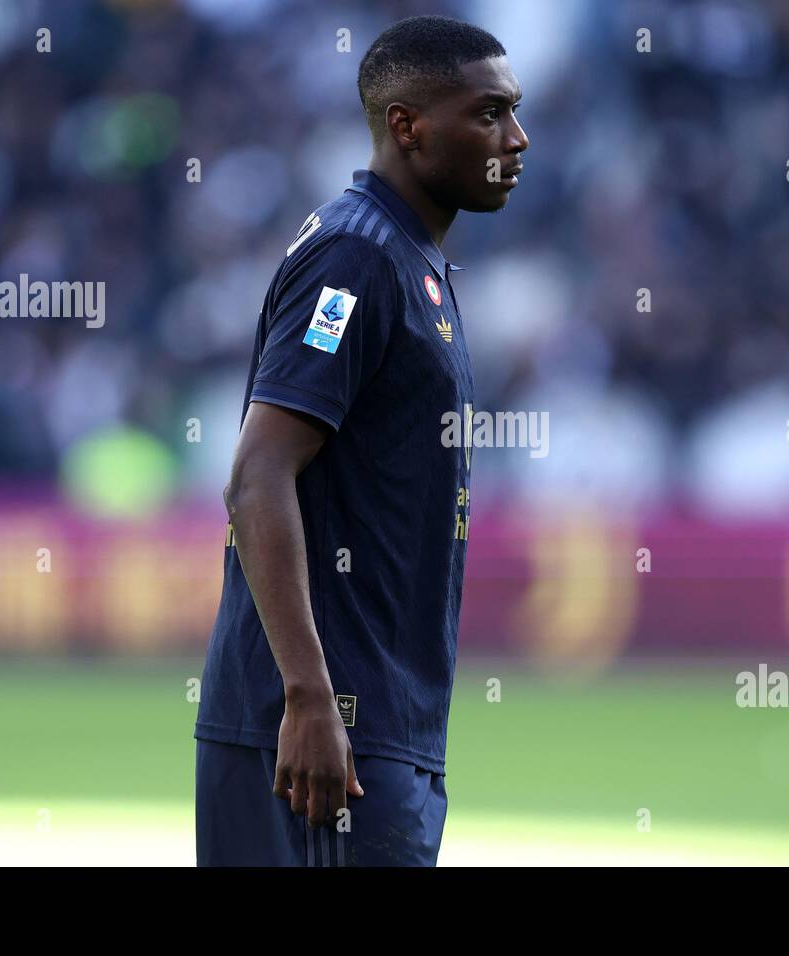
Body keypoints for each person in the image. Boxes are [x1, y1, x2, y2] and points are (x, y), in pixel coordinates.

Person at [194, 14, 528, 866]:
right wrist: (309, 699)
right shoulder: (356, 258)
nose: (517, 139)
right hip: (319, 737)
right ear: (407, 127)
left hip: (378, 724)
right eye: (489, 114)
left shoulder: (410, 261)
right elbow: (259, 474)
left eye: (514, 113)